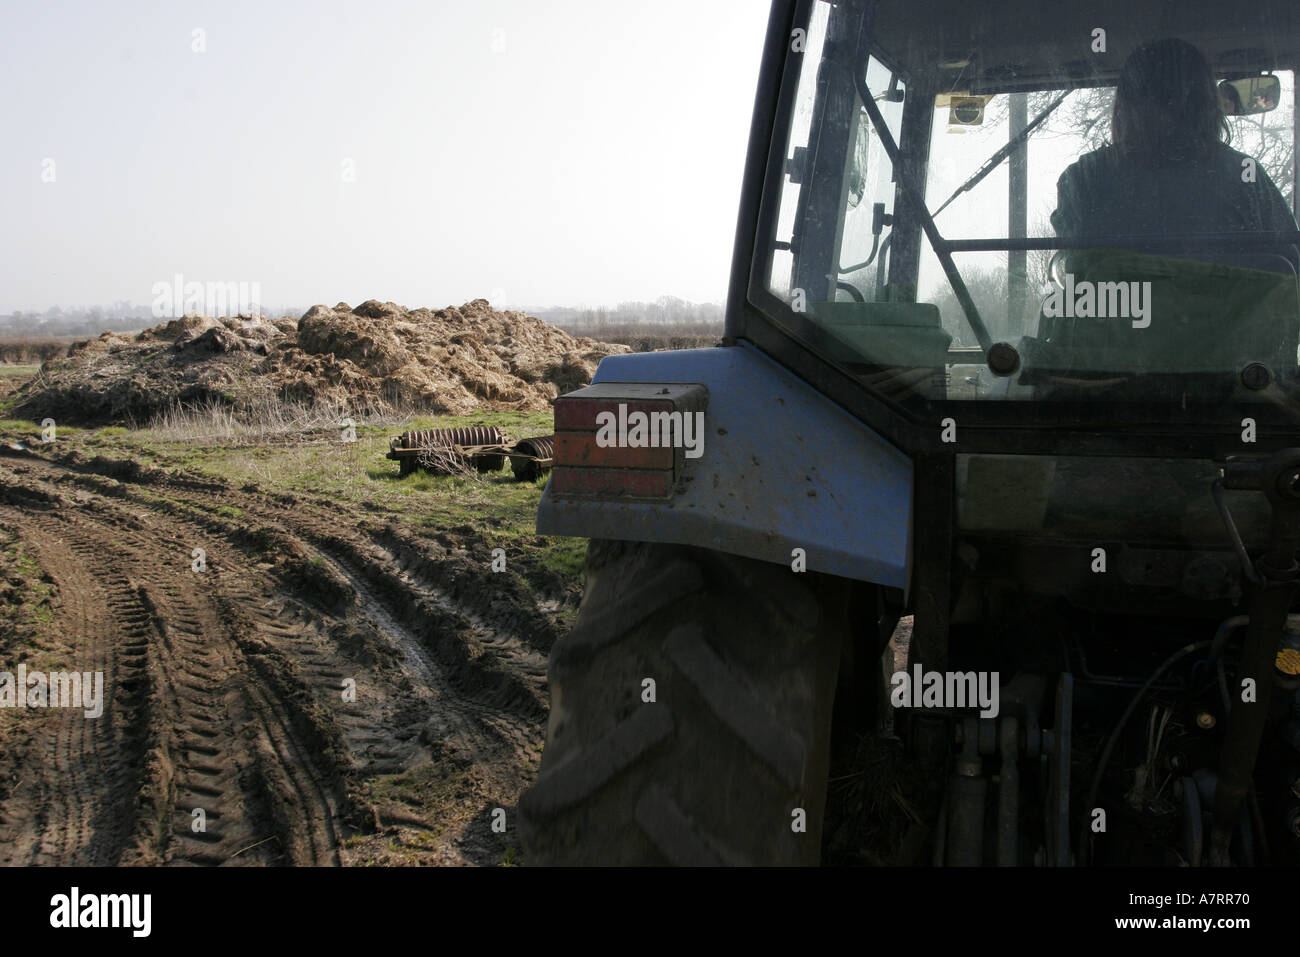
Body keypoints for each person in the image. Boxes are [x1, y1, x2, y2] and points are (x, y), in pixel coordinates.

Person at [1050, 38, 1296, 246]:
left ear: (1126, 105)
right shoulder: (1246, 179)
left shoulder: (1084, 179)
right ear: (1205, 103)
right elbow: (1289, 272)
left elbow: (1076, 276)